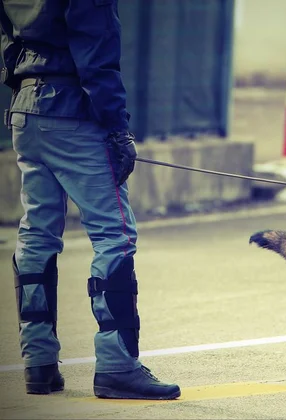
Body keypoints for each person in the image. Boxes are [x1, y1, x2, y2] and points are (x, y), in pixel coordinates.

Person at [0, 0, 180, 399]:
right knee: (114, 235)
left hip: (26, 112)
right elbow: (96, 50)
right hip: (75, 114)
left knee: (37, 235)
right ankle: (118, 367)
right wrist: (117, 127)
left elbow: (9, 39)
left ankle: (39, 363)